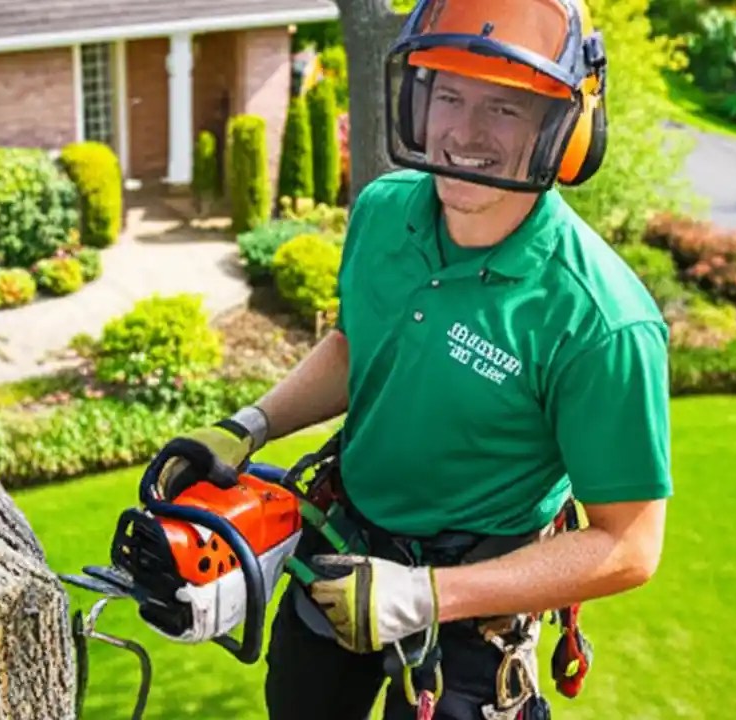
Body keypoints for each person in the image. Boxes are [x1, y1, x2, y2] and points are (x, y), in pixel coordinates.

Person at [156, 0, 672, 717]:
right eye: (450, 96)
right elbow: (354, 344)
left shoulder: (599, 320)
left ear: (564, 130)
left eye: (505, 108)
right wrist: (252, 425)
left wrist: (428, 595)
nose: (464, 133)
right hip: (344, 544)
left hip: (474, 604)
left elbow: (628, 546)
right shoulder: (383, 210)